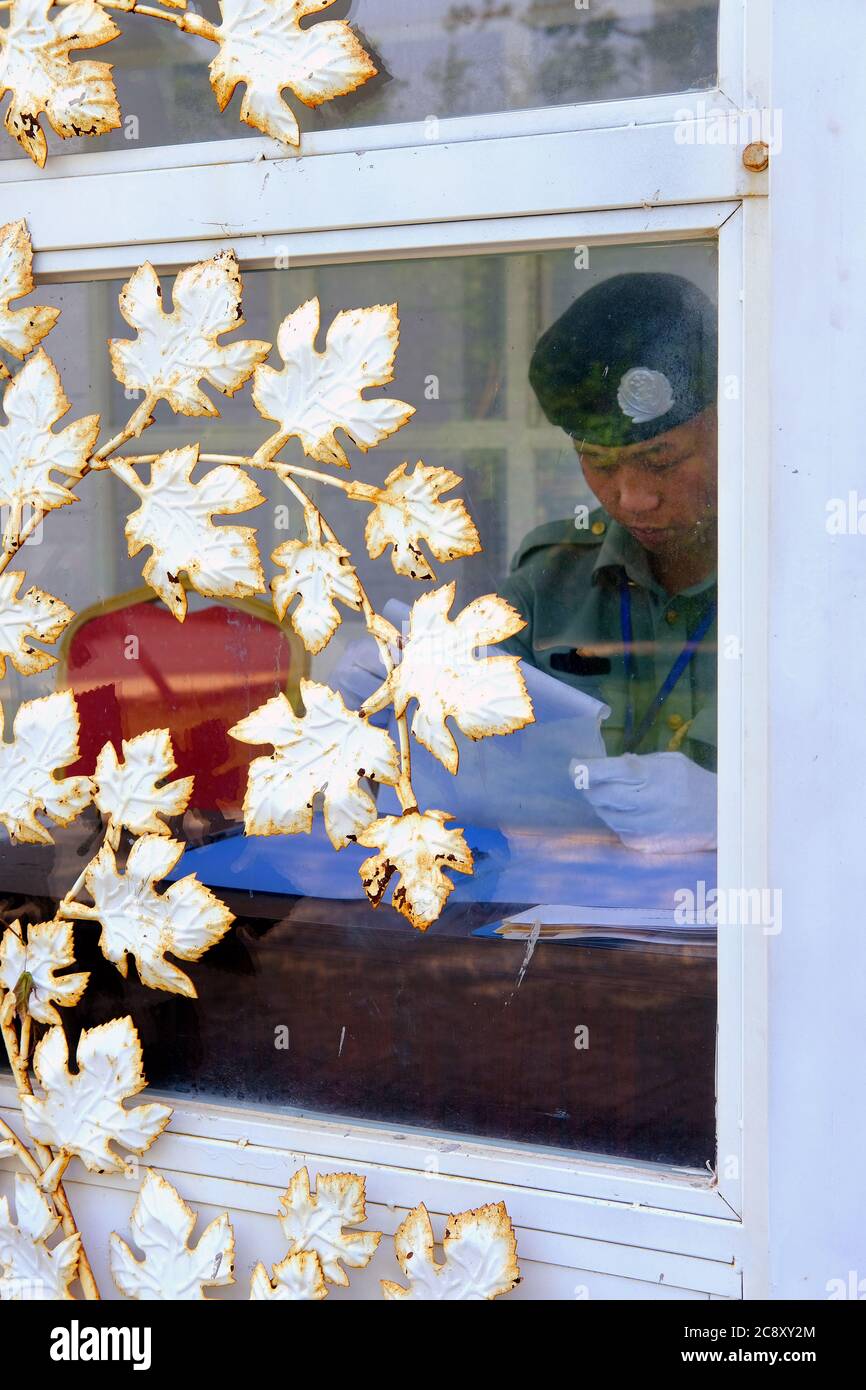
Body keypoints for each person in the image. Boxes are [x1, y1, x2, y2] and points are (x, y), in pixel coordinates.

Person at [498, 272, 718, 853]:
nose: (630, 498)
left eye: (662, 459)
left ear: (731, 423)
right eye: (596, 461)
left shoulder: (816, 581)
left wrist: (743, 811)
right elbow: (474, 772)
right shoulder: (549, 582)